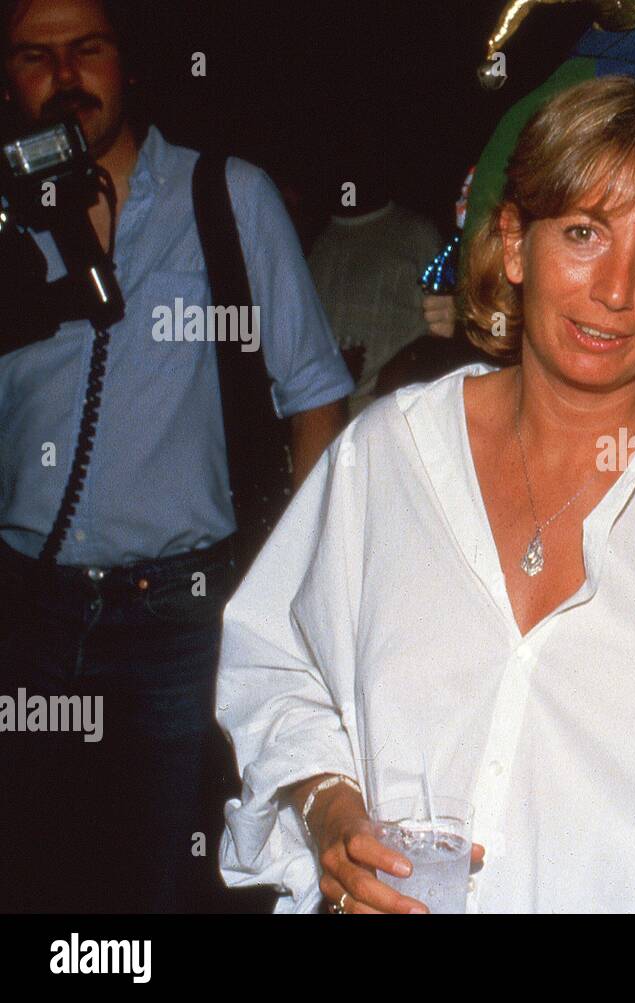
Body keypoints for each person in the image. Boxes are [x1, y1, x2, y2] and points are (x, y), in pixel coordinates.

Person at [216, 76, 635, 914]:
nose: (616, 290)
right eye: (584, 233)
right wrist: (327, 808)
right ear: (515, 244)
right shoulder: (389, 451)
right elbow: (274, 663)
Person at [0, 0, 353, 912]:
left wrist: (296, 593)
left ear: (128, 63)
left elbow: (314, 395)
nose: (64, 74)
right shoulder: (6, 220)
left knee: (163, 877)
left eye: (88, 48)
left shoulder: (226, 196)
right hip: (27, 612)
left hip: (181, 622)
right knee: (39, 872)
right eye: (36, 56)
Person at [308, 147, 444, 419]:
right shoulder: (317, 242)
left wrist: (410, 361)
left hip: (388, 410)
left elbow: (446, 330)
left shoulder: (416, 233)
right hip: (319, 412)